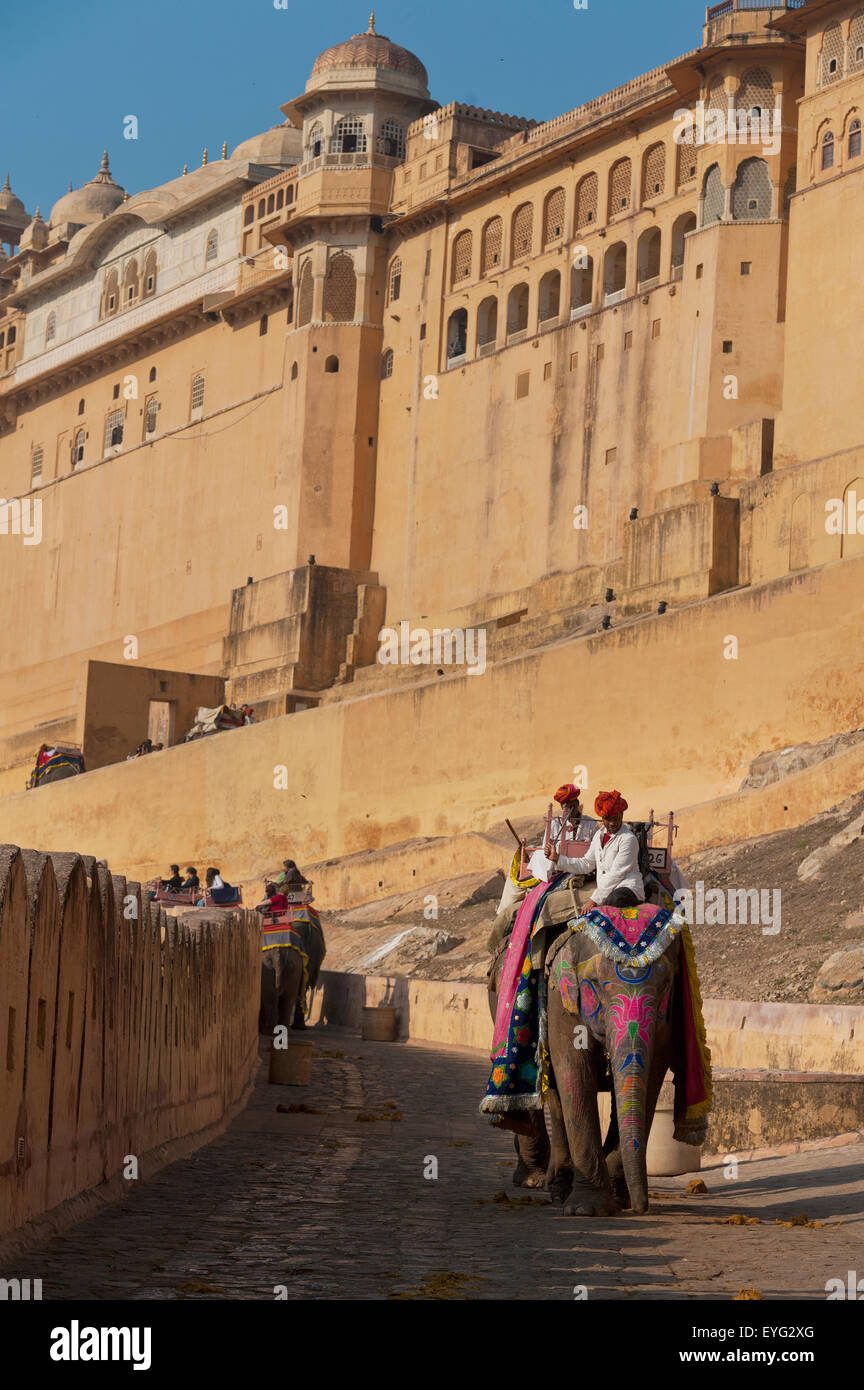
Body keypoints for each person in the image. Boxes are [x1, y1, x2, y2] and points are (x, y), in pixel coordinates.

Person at [539, 789, 645, 909]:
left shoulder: (628, 839)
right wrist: (558, 858)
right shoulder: (598, 836)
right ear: (602, 818)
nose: (612, 823)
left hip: (626, 887)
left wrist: (593, 900)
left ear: (621, 816)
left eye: (616, 818)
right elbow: (586, 864)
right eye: (608, 819)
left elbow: (617, 874)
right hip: (607, 891)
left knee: (614, 900)